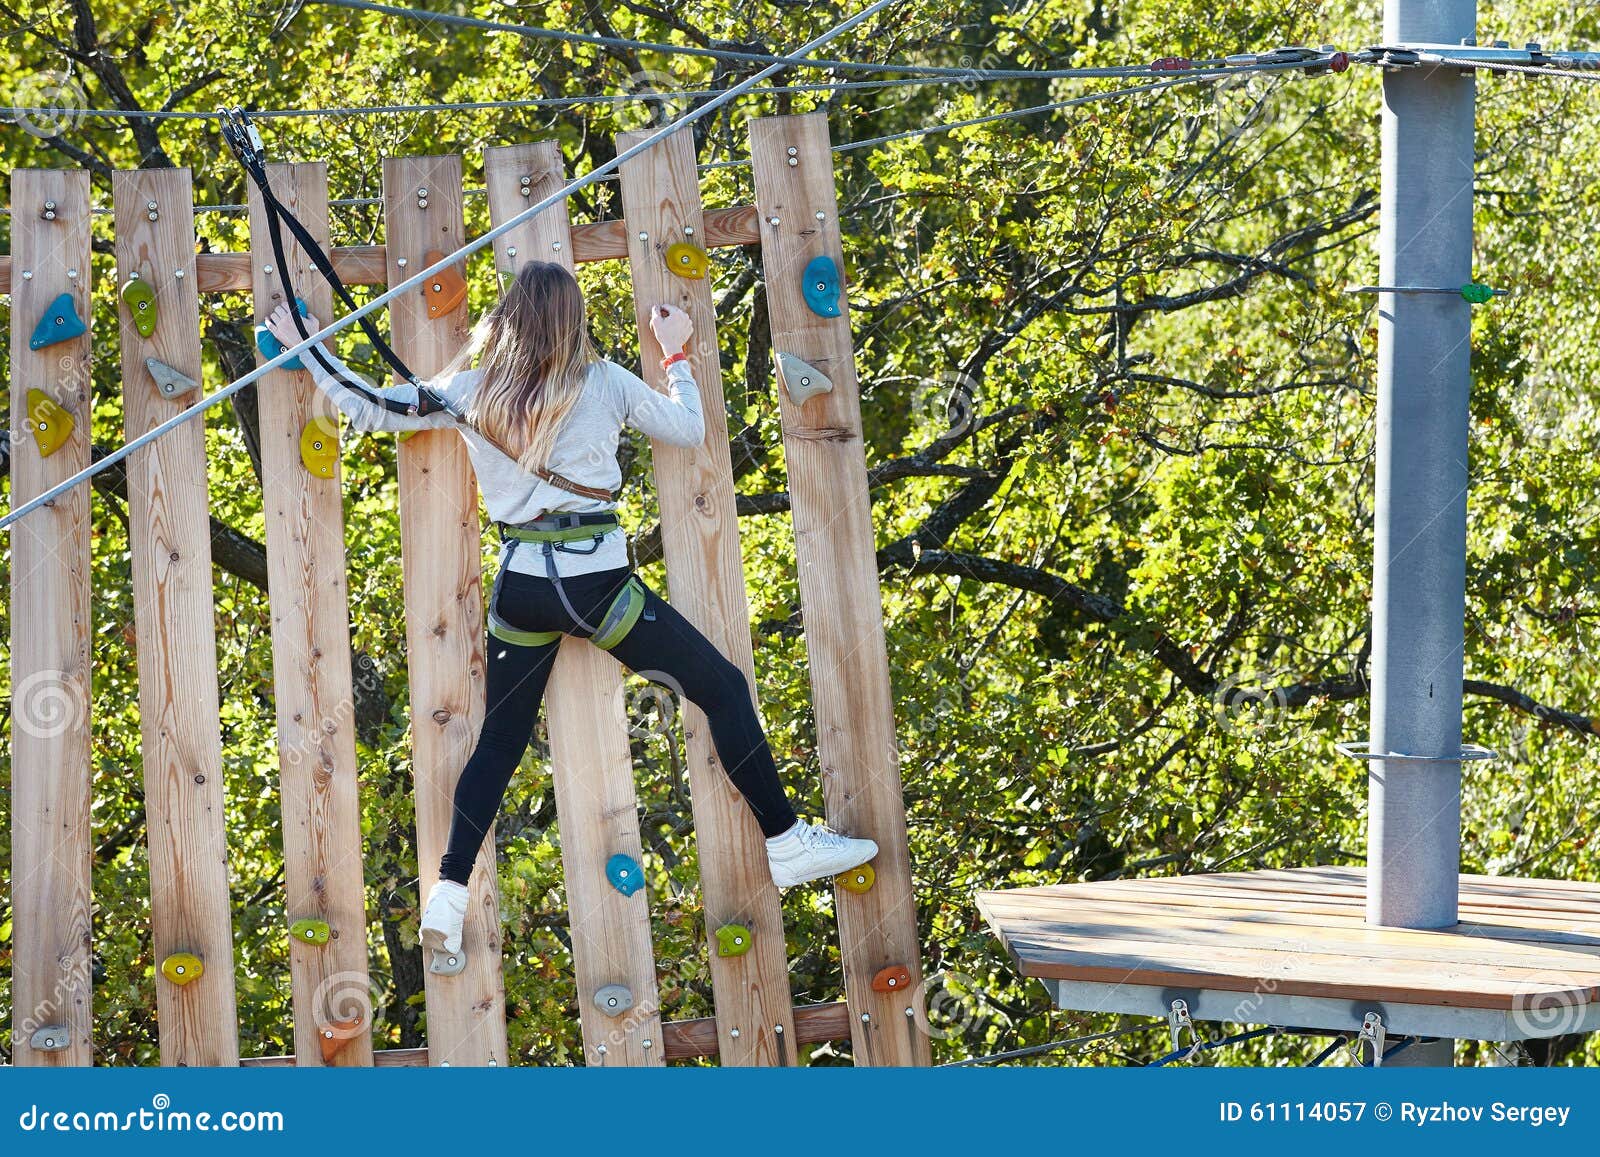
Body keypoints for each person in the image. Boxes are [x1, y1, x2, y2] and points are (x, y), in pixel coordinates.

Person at [265, 262, 877, 957]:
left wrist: (308, 349)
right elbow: (686, 428)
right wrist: (676, 354)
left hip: (523, 589)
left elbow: (370, 408)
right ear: (571, 321)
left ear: (508, 320)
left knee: (500, 740)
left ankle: (449, 891)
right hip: (598, 590)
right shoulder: (604, 381)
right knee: (723, 688)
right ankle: (788, 841)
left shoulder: (471, 392)